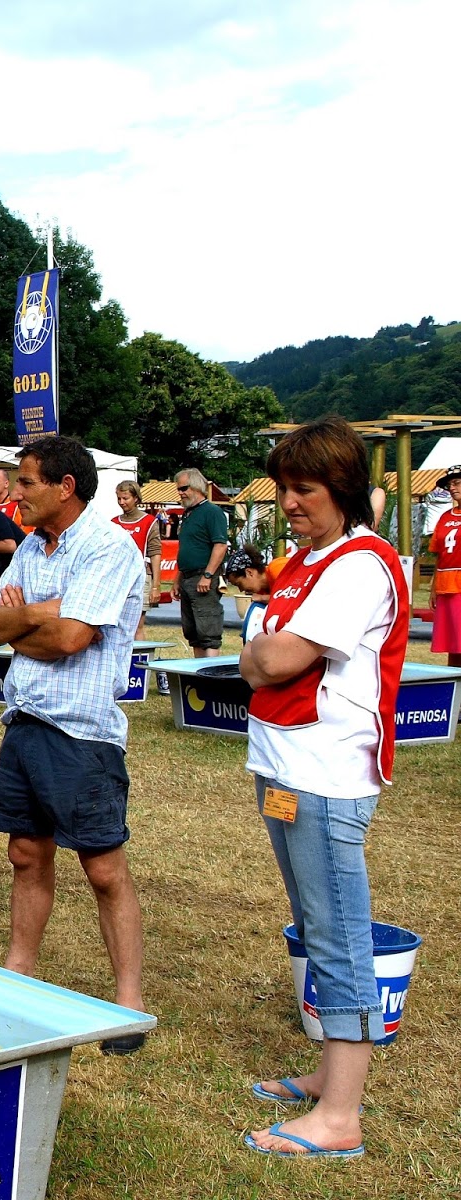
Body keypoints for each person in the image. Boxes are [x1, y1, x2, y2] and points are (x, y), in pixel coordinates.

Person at [238, 417, 409, 1159]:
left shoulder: (360, 564)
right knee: (314, 926)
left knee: (338, 939)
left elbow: (273, 659)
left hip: (327, 778)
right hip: (285, 769)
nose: (290, 504)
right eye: (283, 490)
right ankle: (326, 1077)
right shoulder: (313, 560)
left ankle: (341, 1117)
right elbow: (267, 653)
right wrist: (261, 653)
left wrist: (260, 654)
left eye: (303, 489)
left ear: (341, 489)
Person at [0, 436, 148, 1051]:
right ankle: (18, 973)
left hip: (83, 731)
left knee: (102, 868)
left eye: (25, 483)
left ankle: (128, 1002)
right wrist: (32, 617)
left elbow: (73, 639)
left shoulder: (109, 547)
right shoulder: (29, 546)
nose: (13, 493)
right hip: (25, 720)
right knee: (26, 852)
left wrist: (25, 621)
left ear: (64, 486)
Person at [171, 468, 228, 658]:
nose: (180, 493)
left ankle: (210, 673)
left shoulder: (212, 512)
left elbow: (220, 545)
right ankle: (198, 672)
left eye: (184, 488)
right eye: (179, 489)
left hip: (203, 575)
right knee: (193, 631)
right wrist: (177, 580)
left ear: (196, 486)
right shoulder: (188, 514)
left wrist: (208, 575)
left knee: (208, 629)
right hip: (188, 576)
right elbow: (184, 550)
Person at [110, 481, 161, 639]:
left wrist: (156, 586)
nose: (121, 502)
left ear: (136, 498)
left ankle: (137, 661)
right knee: (115, 622)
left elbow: (155, 553)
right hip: (118, 576)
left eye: (125, 498)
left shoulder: (149, 522)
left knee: (137, 624)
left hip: (141, 575)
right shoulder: (114, 523)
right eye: (119, 498)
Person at [426, 464, 461, 668]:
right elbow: (439, 554)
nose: (452, 488)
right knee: (452, 641)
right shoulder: (445, 517)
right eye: (450, 485)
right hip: (446, 584)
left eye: (456, 483)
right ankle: (456, 684)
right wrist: (433, 588)